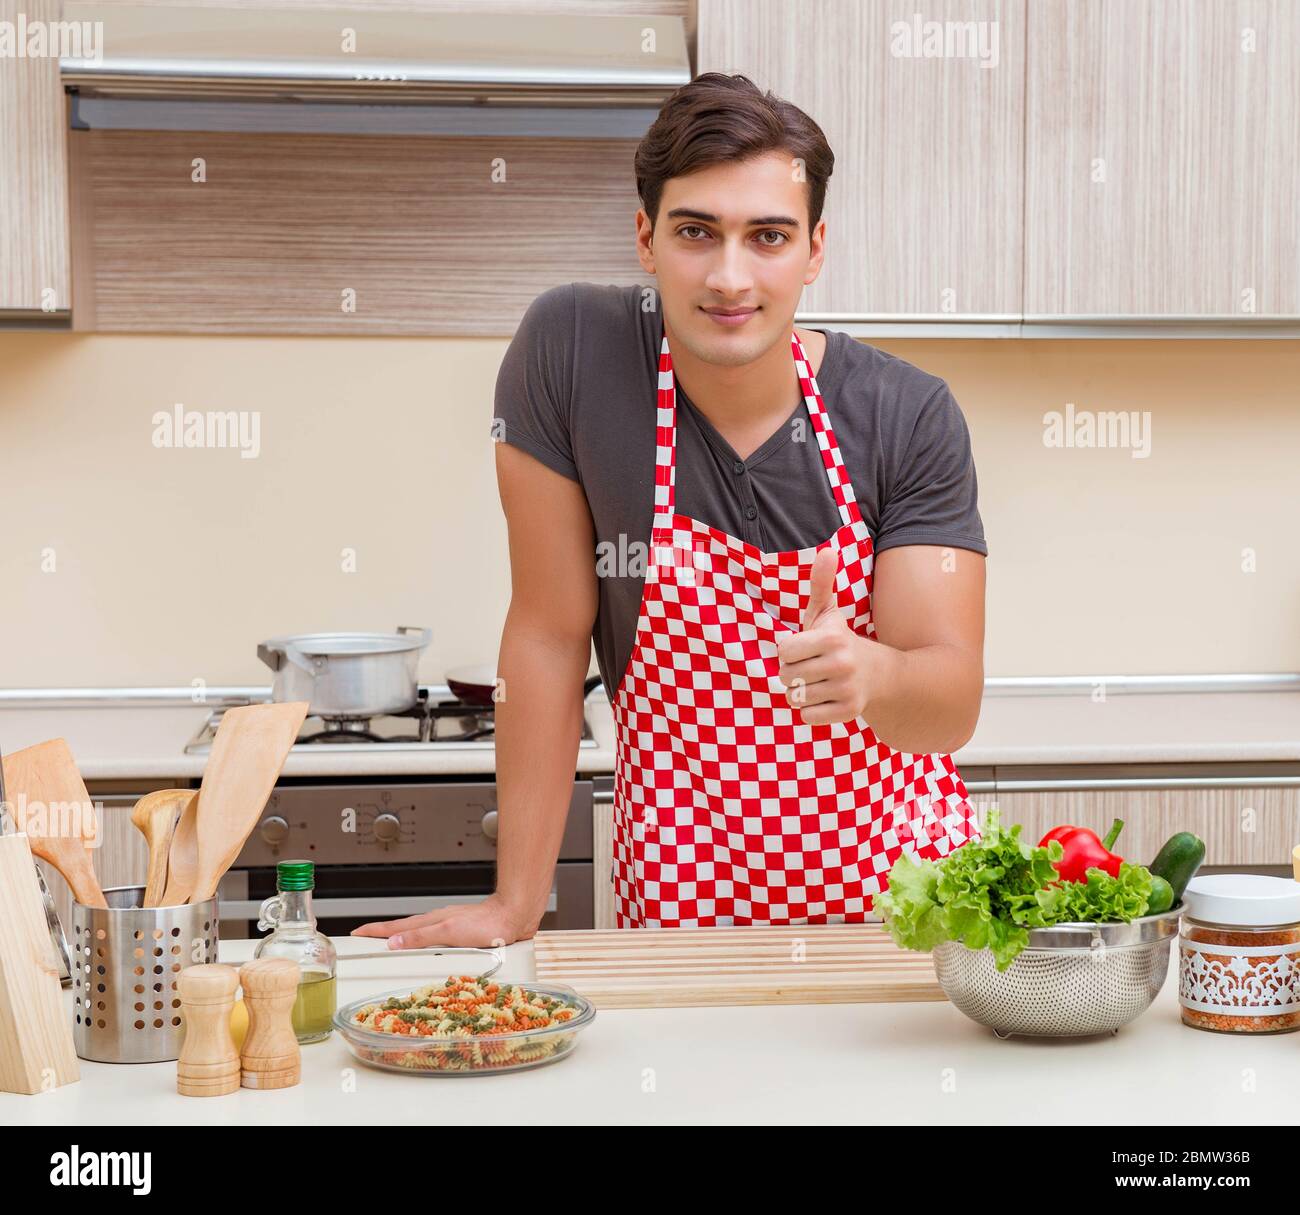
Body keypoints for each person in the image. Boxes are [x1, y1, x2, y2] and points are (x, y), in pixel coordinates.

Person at [353, 73, 988, 949]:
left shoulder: (905, 413)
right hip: (684, 892)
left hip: (896, 906)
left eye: (768, 237)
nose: (731, 278)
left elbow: (951, 701)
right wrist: (515, 904)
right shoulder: (571, 354)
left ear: (815, 250)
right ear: (646, 237)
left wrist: (873, 675)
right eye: (698, 232)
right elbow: (546, 630)